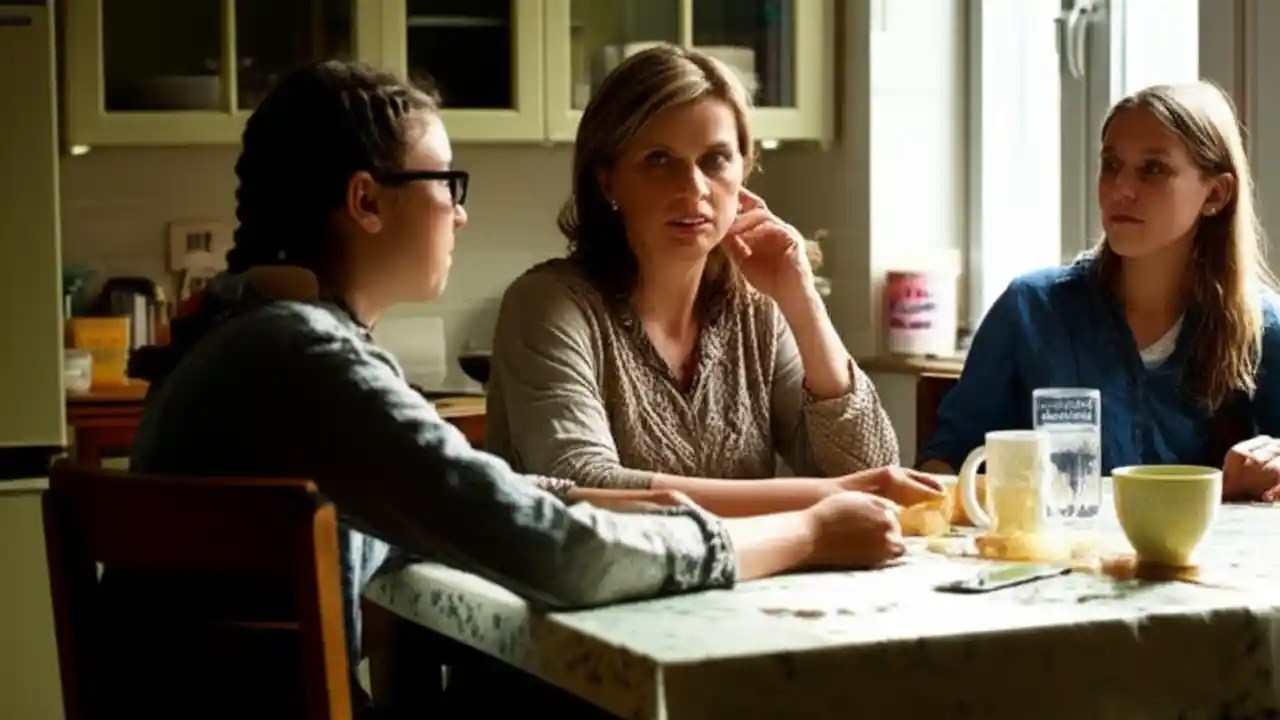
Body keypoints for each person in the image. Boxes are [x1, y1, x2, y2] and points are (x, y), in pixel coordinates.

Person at [120, 60, 909, 715]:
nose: (460, 216)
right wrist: (804, 532)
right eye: (447, 183)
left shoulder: (253, 331)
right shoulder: (307, 359)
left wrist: (580, 499)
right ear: (366, 201)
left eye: (716, 160)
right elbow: (563, 557)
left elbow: (503, 499)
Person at [485, 44, 942, 518]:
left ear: (743, 170)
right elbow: (584, 481)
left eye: (715, 159)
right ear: (608, 182)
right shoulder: (548, 306)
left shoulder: (756, 311)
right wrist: (827, 496)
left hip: (733, 584)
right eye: (659, 160)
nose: (694, 188)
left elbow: (873, 469)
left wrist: (801, 299)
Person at [918, 81, 1280, 502]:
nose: (1120, 189)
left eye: (1153, 169)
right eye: (1111, 164)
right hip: (1055, 561)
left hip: (1211, 566)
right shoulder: (1031, 310)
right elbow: (941, 469)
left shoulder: (1262, 328)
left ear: (1215, 194)